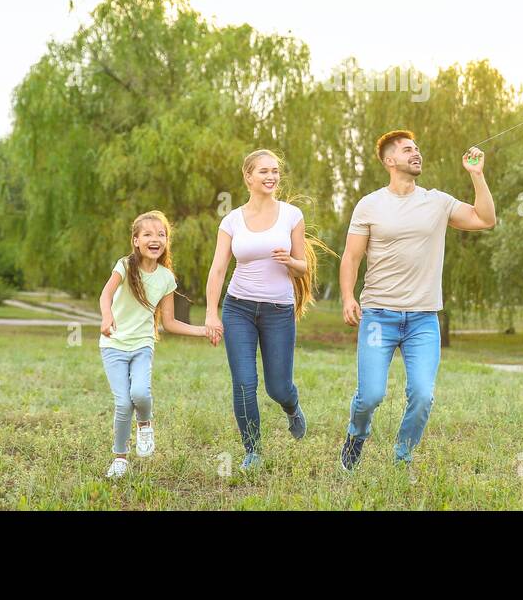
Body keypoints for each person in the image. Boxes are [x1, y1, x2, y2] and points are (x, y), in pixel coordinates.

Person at [338, 130, 495, 470]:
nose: (416, 153)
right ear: (389, 160)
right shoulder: (370, 204)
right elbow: (351, 257)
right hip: (379, 316)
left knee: (423, 395)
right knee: (370, 396)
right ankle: (356, 434)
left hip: (423, 319)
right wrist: (348, 296)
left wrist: (477, 175)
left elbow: (485, 219)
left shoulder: (437, 201)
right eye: (408, 149)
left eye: (417, 149)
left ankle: (402, 456)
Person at [204, 149, 329, 469]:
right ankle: (253, 450)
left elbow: (303, 268)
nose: (271, 176)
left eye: (275, 171)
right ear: (248, 176)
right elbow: (218, 269)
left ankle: (292, 407)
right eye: (263, 171)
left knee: (278, 387)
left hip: (278, 310)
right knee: (244, 381)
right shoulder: (231, 220)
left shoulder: (291, 215)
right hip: (238, 308)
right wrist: (210, 312)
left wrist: (292, 262)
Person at [98, 210, 207, 479]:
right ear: (136, 240)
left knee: (141, 395)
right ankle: (120, 458)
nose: (155, 239)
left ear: (166, 241)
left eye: (161, 234)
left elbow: (169, 323)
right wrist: (107, 316)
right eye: (148, 234)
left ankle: (145, 424)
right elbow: (106, 294)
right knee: (123, 404)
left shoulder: (166, 278)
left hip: (142, 345)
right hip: (113, 346)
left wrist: (203, 330)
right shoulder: (124, 266)